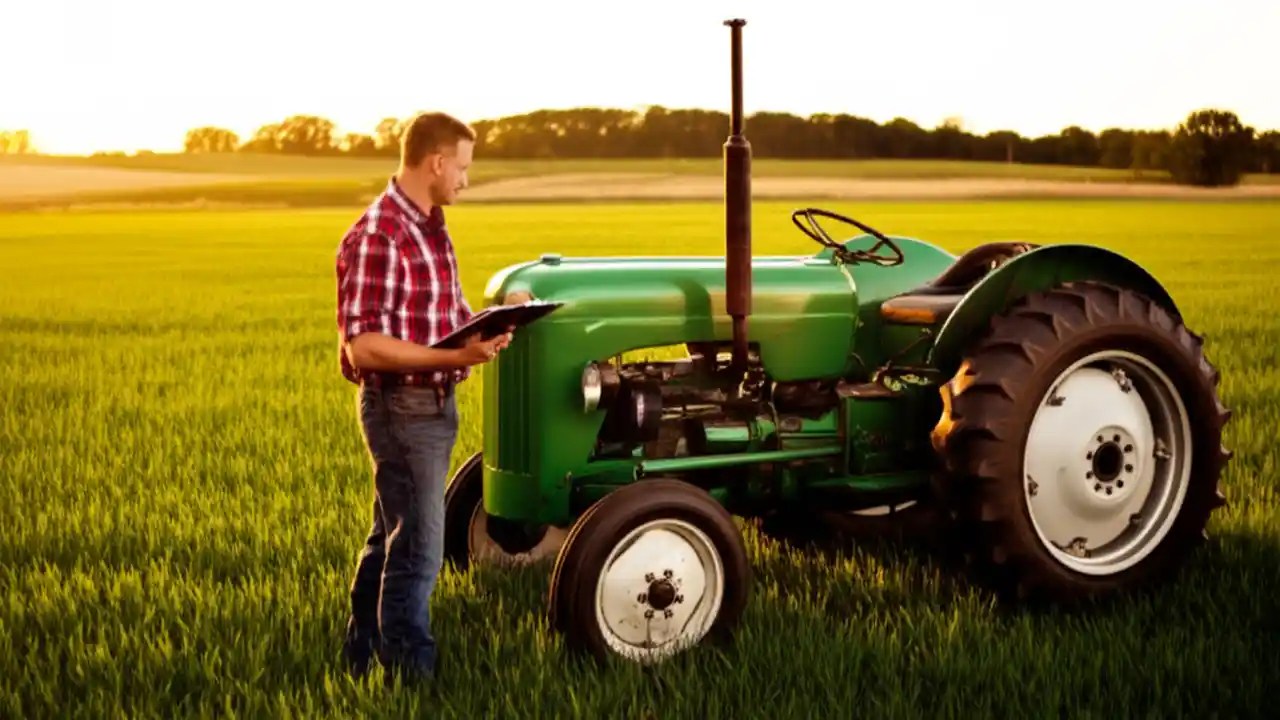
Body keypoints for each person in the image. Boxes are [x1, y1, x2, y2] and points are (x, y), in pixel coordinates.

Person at [333, 111, 517, 686]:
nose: (465, 179)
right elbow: (364, 346)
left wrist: (494, 322)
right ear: (436, 162)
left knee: (390, 536)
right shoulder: (380, 233)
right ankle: (411, 677)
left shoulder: (431, 226)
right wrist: (454, 360)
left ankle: (361, 654)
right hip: (402, 410)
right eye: (461, 167)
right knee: (418, 551)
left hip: (432, 408)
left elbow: (444, 318)